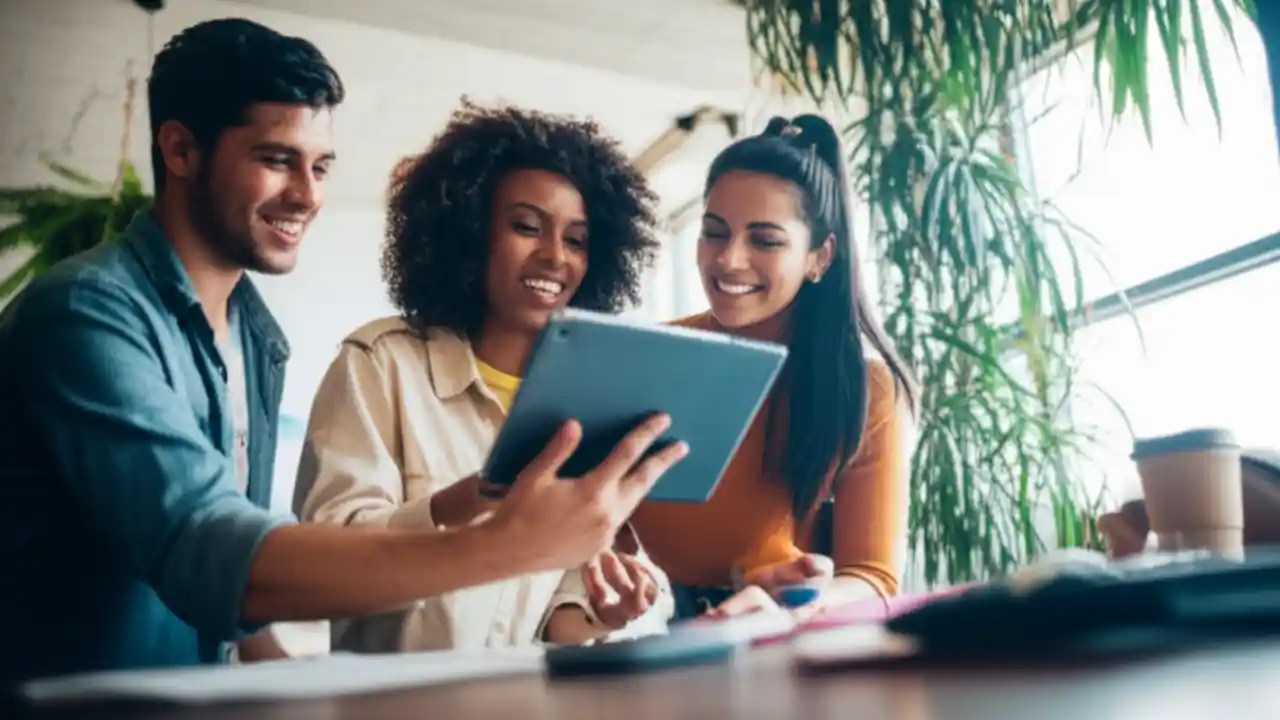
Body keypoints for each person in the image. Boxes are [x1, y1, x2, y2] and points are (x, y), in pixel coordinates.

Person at [0, 19, 685, 683]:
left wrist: (295, 684)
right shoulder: (85, 313)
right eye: (276, 160)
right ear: (180, 151)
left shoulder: (256, 338)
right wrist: (505, 544)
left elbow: (237, 597)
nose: (307, 195)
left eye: (321, 166)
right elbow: (207, 550)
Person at [293, 100, 675, 651]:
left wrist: (603, 612)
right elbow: (324, 561)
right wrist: (465, 503)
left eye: (576, 240)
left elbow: (561, 618)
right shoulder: (381, 364)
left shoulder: (594, 404)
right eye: (526, 227)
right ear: (471, 234)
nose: (554, 257)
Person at [631, 115, 918, 619]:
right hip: (646, 630)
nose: (729, 260)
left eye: (765, 241)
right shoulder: (650, 357)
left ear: (818, 257)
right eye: (714, 233)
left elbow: (873, 577)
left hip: (781, 637)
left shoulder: (864, 390)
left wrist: (796, 603)